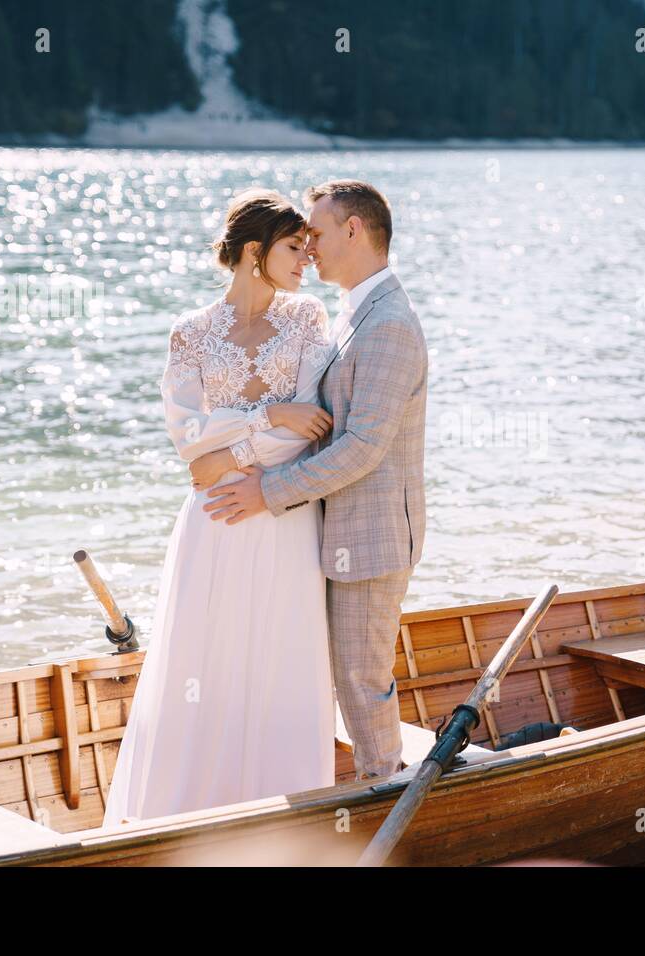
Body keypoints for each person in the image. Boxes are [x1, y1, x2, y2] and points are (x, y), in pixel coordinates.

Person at [102, 188, 339, 825]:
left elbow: (309, 428)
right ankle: (182, 823)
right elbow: (189, 446)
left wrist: (233, 446)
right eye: (296, 247)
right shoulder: (191, 335)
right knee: (202, 665)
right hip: (214, 526)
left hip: (283, 520)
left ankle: (286, 827)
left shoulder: (308, 319)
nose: (308, 259)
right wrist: (268, 416)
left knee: (281, 663)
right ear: (255, 253)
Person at [202, 180, 428, 780]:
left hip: (372, 536)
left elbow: (362, 449)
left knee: (360, 678)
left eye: (319, 236)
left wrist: (266, 492)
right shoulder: (357, 311)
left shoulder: (389, 326)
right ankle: (354, 789)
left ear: (354, 230)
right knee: (340, 674)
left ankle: (384, 795)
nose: (310, 250)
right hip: (332, 531)